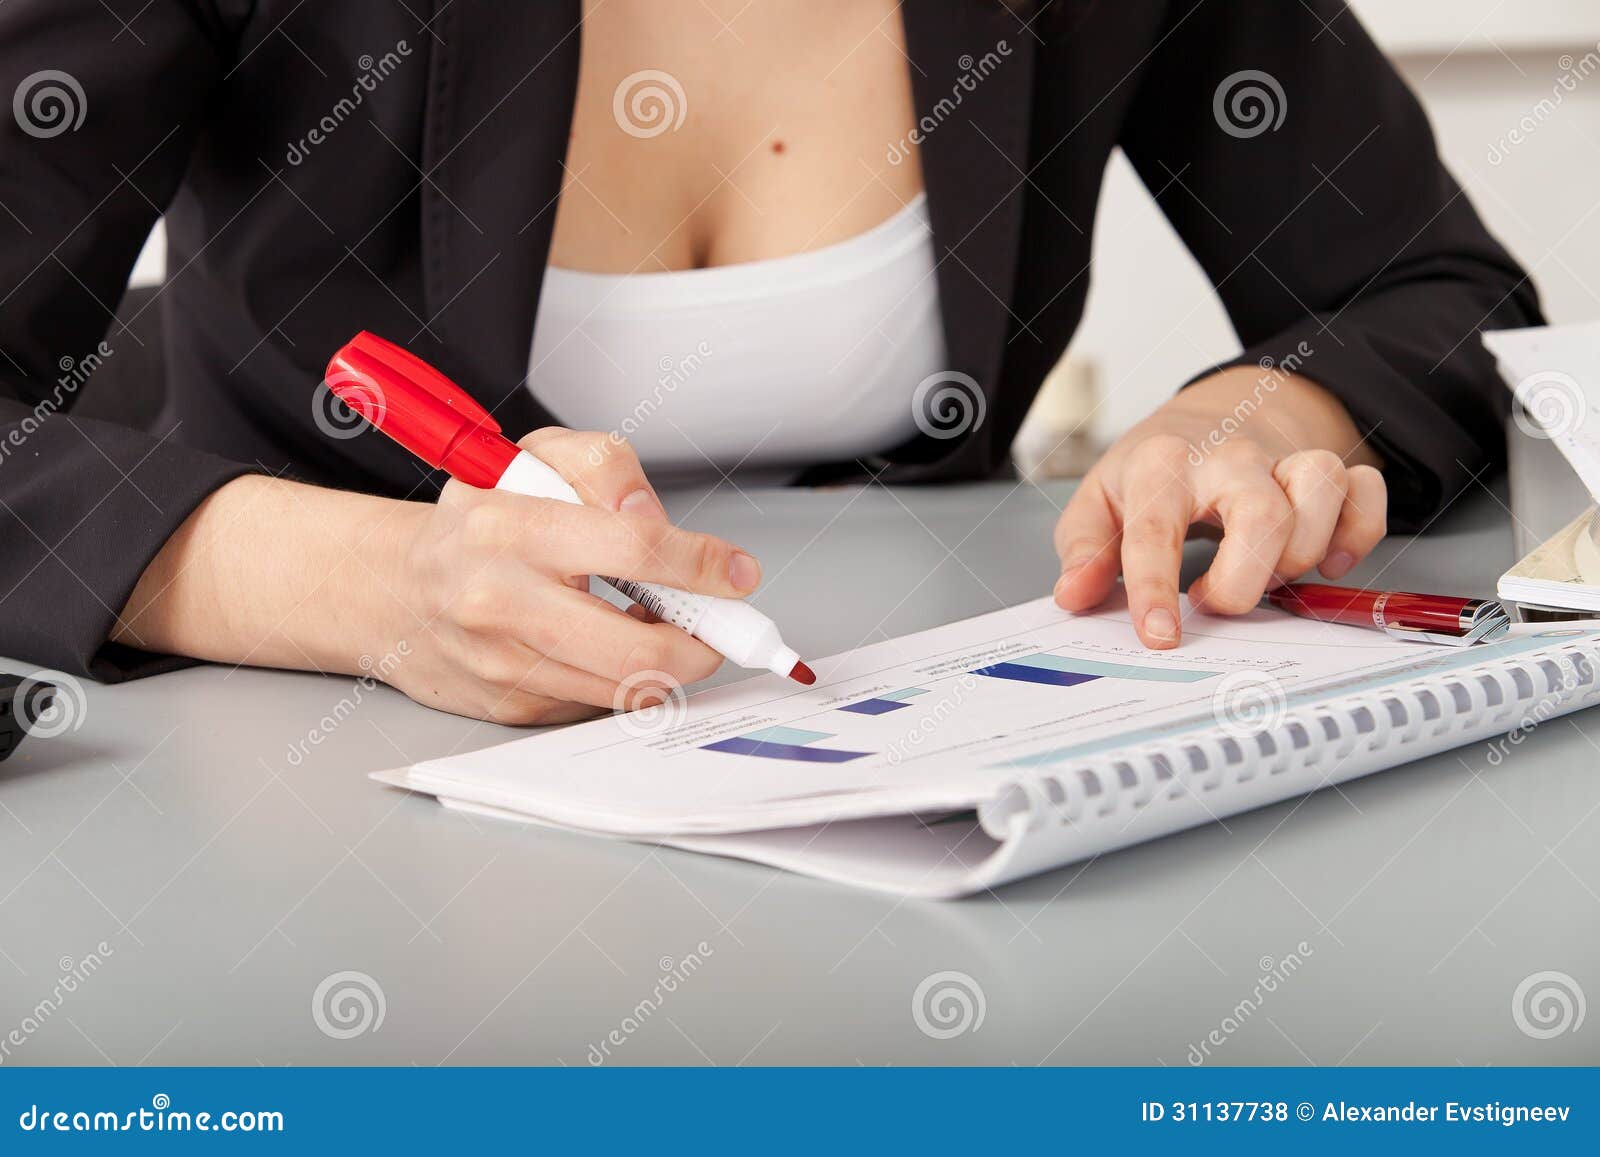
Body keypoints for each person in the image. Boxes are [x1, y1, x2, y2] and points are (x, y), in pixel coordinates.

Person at [0, 0, 1538, 723]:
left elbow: (1432, 286)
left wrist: (1261, 405)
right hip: (298, 779)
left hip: (904, 756)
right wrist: (371, 586)